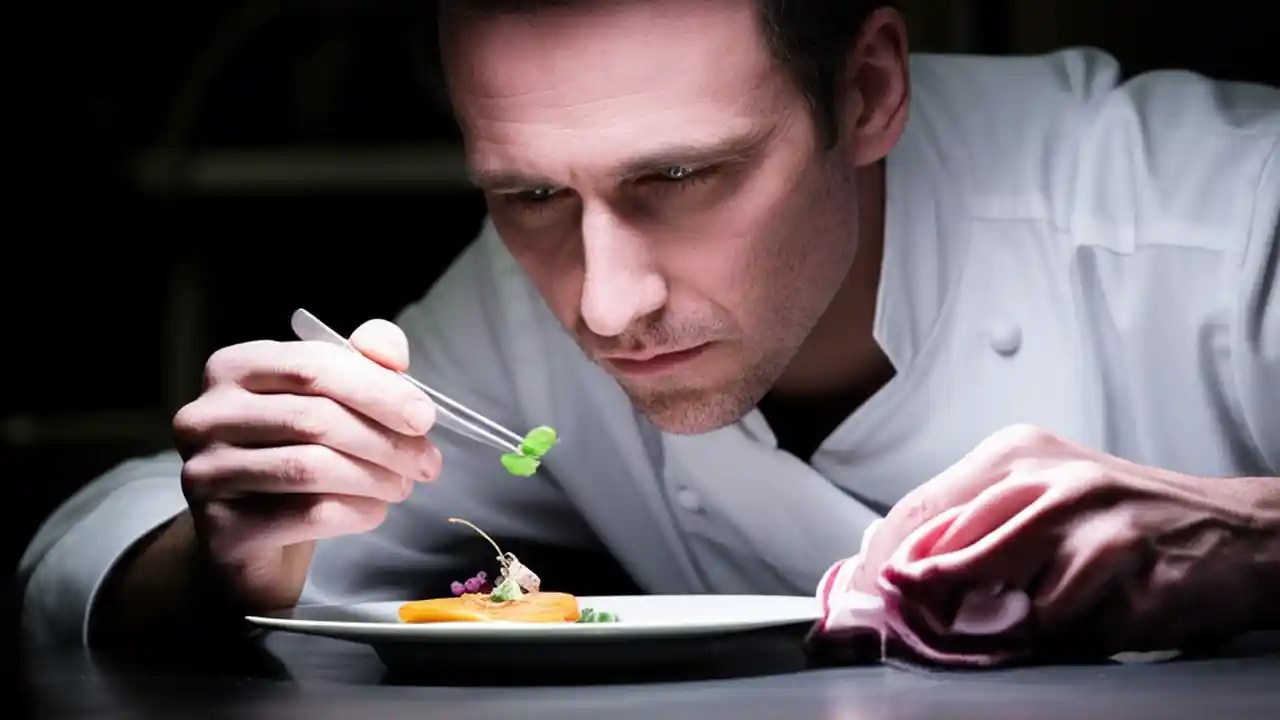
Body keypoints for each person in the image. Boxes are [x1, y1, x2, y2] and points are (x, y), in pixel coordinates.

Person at [18, 0, 1280, 664]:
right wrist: (227, 548)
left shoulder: (1225, 219)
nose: (604, 305)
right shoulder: (517, 320)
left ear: (866, 92)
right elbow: (86, 553)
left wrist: (1250, 534)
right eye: (527, 195)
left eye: (680, 178)